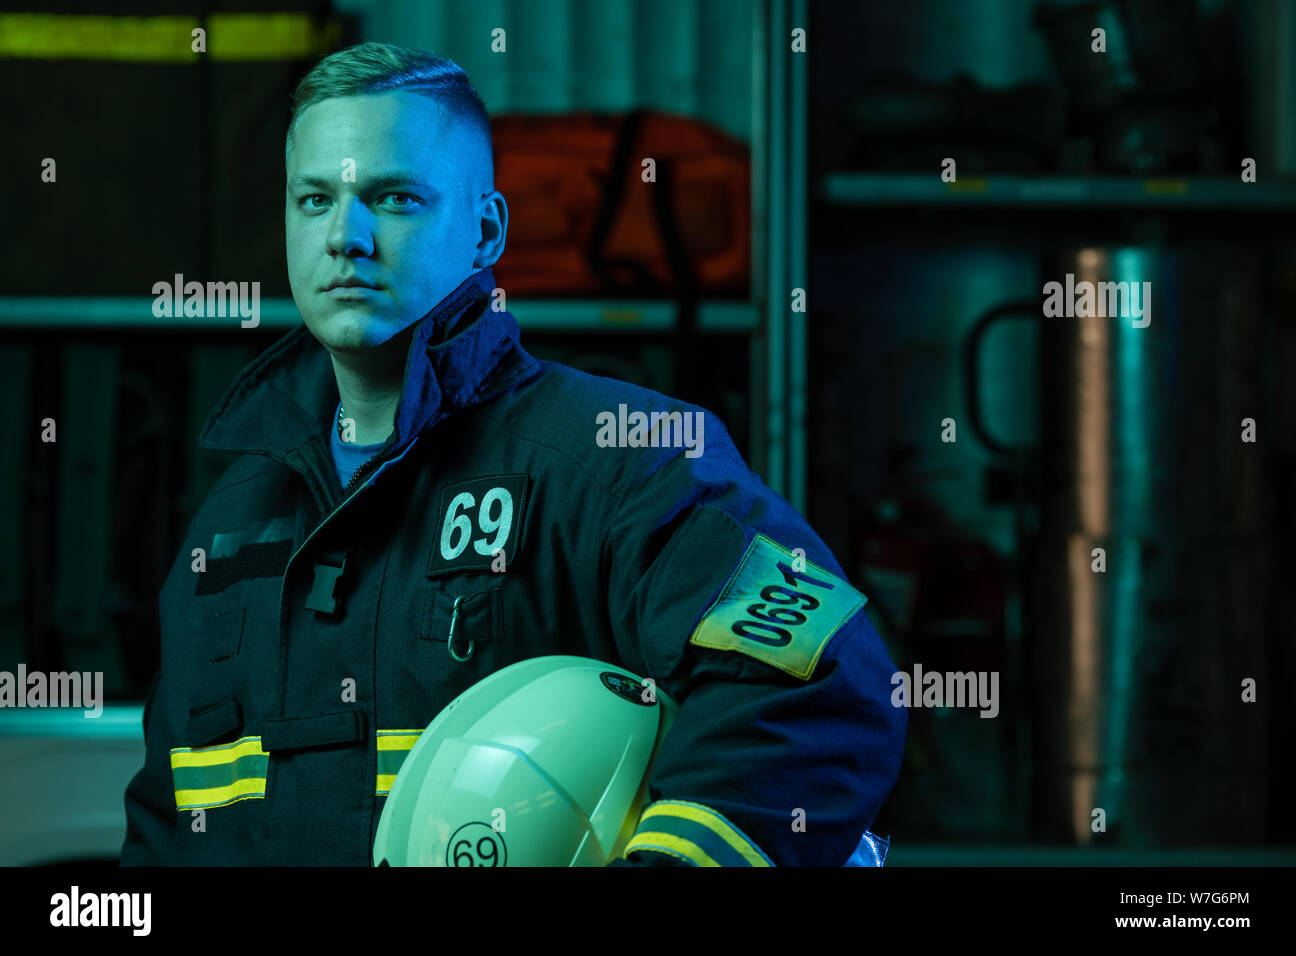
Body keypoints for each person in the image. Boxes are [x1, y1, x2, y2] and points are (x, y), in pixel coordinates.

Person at [121, 41, 905, 867]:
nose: (345, 236)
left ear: (487, 228)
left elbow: (818, 687)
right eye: (314, 199)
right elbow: (165, 831)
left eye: (394, 198)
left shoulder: (620, 463)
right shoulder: (228, 529)